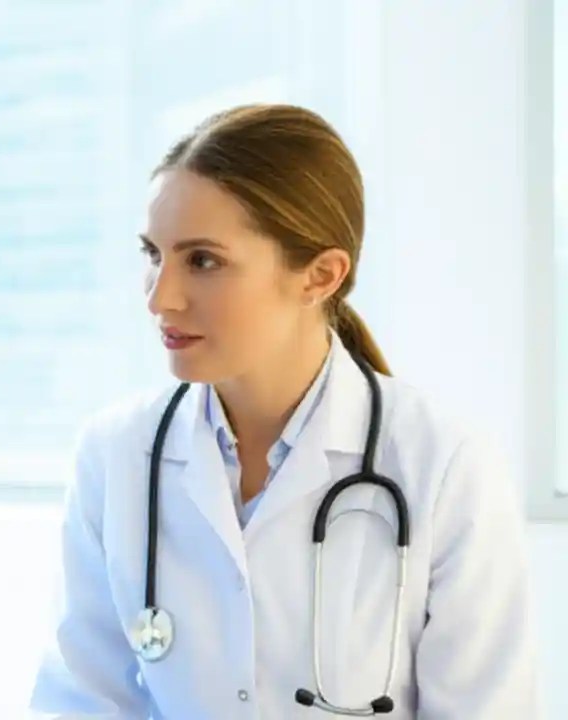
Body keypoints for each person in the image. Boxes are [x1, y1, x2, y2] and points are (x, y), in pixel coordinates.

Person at [29, 104, 539, 718]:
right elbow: (82, 698)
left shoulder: (445, 466)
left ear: (320, 275)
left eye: (203, 261)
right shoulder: (115, 454)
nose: (161, 296)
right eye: (153, 254)